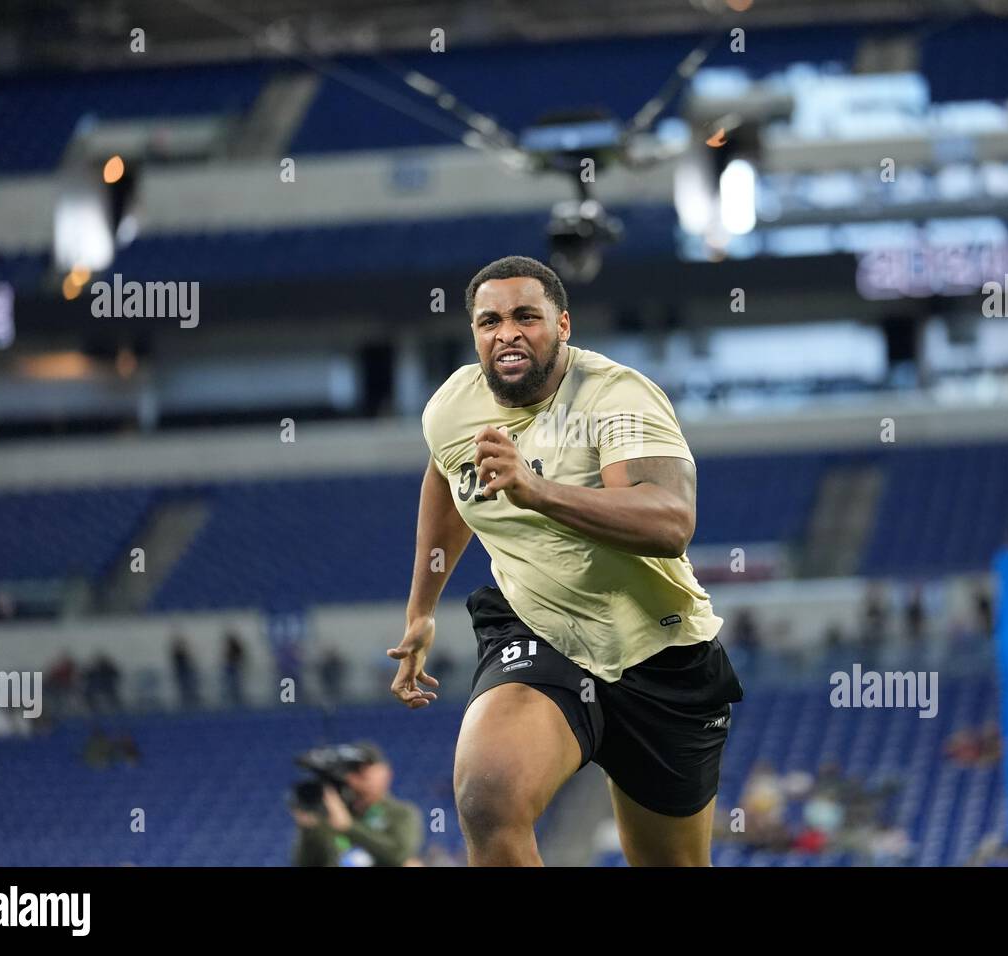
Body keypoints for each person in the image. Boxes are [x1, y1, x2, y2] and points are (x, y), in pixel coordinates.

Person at [387, 255, 743, 866]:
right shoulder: (454, 405)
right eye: (489, 321)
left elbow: (670, 522)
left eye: (527, 316)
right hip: (537, 628)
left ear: (564, 325)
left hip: (660, 654)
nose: (507, 333)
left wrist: (538, 491)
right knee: (487, 797)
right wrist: (420, 610)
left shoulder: (616, 396)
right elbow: (446, 477)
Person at [291, 743, 423, 867]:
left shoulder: (399, 813)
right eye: (352, 770)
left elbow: (398, 855)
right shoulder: (329, 816)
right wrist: (308, 830)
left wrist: (349, 827)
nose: (357, 775)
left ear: (385, 772)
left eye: (364, 769)